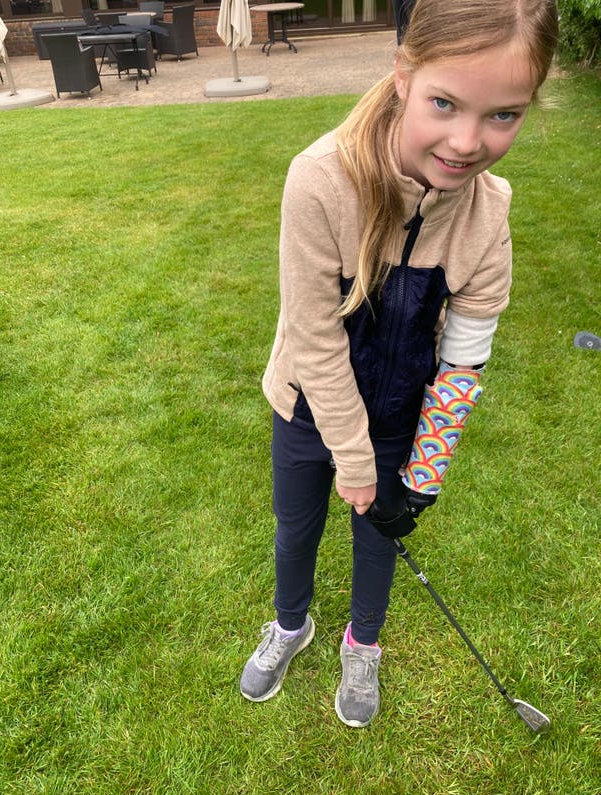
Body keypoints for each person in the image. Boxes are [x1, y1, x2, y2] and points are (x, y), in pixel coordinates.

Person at [240, 0, 559, 728]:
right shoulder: (320, 179)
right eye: (444, 103)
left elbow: (464, 360)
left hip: (396, 415)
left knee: (378, 539)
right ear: (403, 76)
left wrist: (421, 476)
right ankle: (292, 624)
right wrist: (354, 464)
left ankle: (364, 642)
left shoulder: (488, 216)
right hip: (305, 405)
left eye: (504, 115)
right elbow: (315, 338)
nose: (466, 141)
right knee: (296, 528)